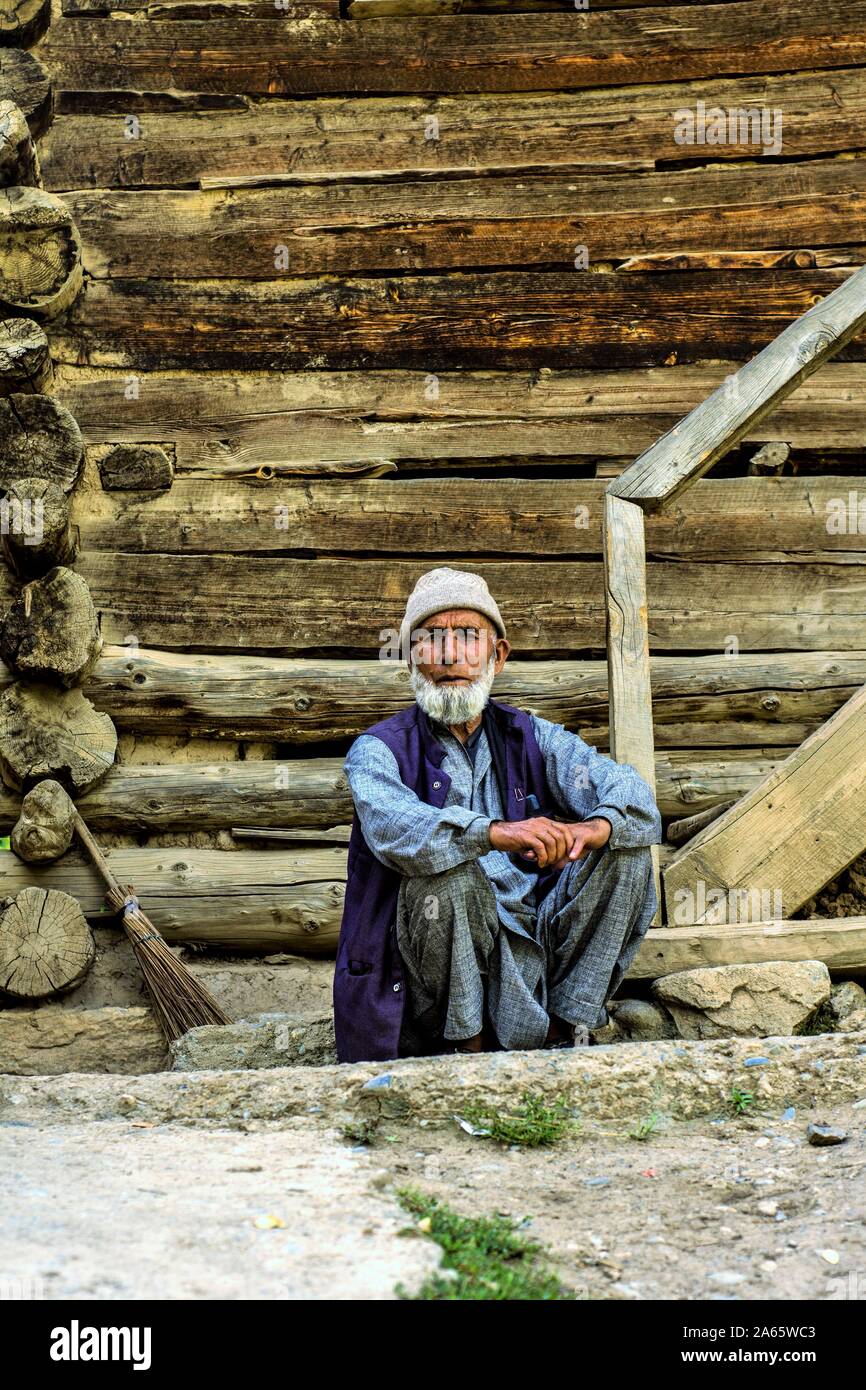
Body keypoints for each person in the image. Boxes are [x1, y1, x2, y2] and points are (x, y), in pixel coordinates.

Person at [333, 566, 662, 1063]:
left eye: (468, 637)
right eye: (430, 639)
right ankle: (467, 1044)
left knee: (627, 852)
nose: (449, 654)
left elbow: (632, 794)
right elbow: (396, 828)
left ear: (497, 654)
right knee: (448, 878)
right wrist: (495, 833)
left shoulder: (531, 736)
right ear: (411, 658)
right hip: (429, 976)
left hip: (534, 941)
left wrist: (590, 830)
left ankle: (564, 1027)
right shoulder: (377, 751)